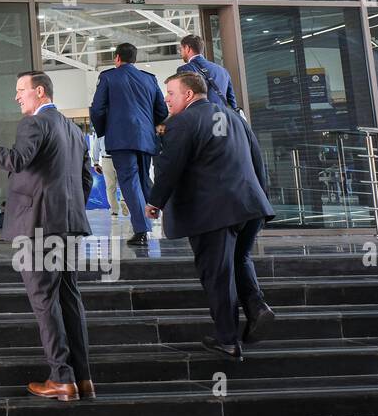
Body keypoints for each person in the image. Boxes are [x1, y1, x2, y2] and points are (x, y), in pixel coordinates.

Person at [0, 71, 94, 402]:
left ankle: (61, 378)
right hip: (67, 225)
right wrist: (64, 210)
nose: (16, 97)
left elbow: (16, 161)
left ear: (39, 92)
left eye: (20, 90)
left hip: (38, 228)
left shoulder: (34, 124)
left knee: (44, 302)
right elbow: (85, 181)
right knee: (69, 300)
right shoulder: (73, 129)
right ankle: (83, 379)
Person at [147, 72, 276, 361]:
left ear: (189, 95)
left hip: (213, 212)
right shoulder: (233, 117)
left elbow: (171, 166)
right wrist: (261, 199)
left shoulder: (183, 122)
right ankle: (257, 308)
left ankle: (227, 340)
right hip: (249, 205)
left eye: (170, 92)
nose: (166, 98)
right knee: (238, 259)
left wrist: (155, 201)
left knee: (217, 274)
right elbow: (257, 160)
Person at [90, 42, 168, 247]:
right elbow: (162, 111)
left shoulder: (108, 77)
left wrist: (103, 131)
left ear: (117, 58)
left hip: (121, 139)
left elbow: (97, 109)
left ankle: (142, 230)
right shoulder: (149, 79)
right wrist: (147, 125)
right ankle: (172, 215)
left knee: (130, 182)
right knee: (144, 181)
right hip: (145, 138)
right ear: (135, 59)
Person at [177, 34, 237, 110]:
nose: (180, 53)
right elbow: (232, 103)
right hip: (222, 118)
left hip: (201, 118)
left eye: (181, 49)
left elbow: (184, 99)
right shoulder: (222, 71)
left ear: (187, 48)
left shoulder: (185, 69)